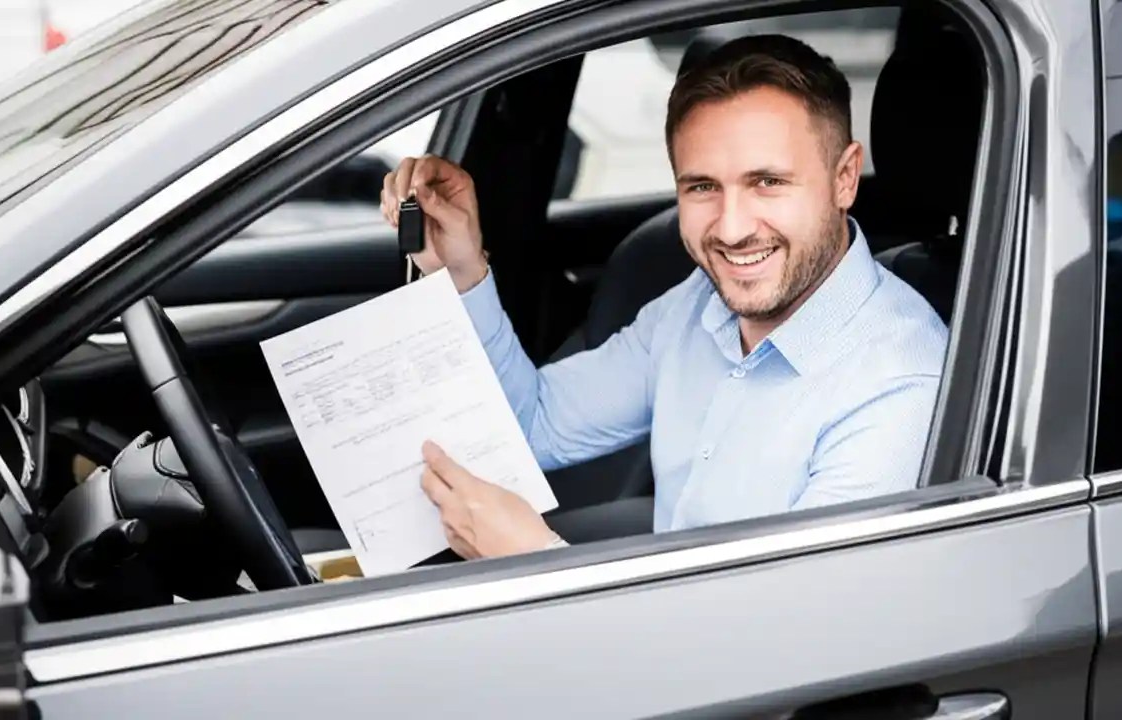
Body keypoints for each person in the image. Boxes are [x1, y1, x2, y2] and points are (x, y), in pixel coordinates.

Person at [379, 34, 948, 561]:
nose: (730, 229)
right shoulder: (696, 306)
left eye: (767, 182)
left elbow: (787, 643)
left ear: (845, 177)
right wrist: (461, 269)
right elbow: (533, 424)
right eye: (702, 187)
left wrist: (533, 559)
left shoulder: (897, 389)